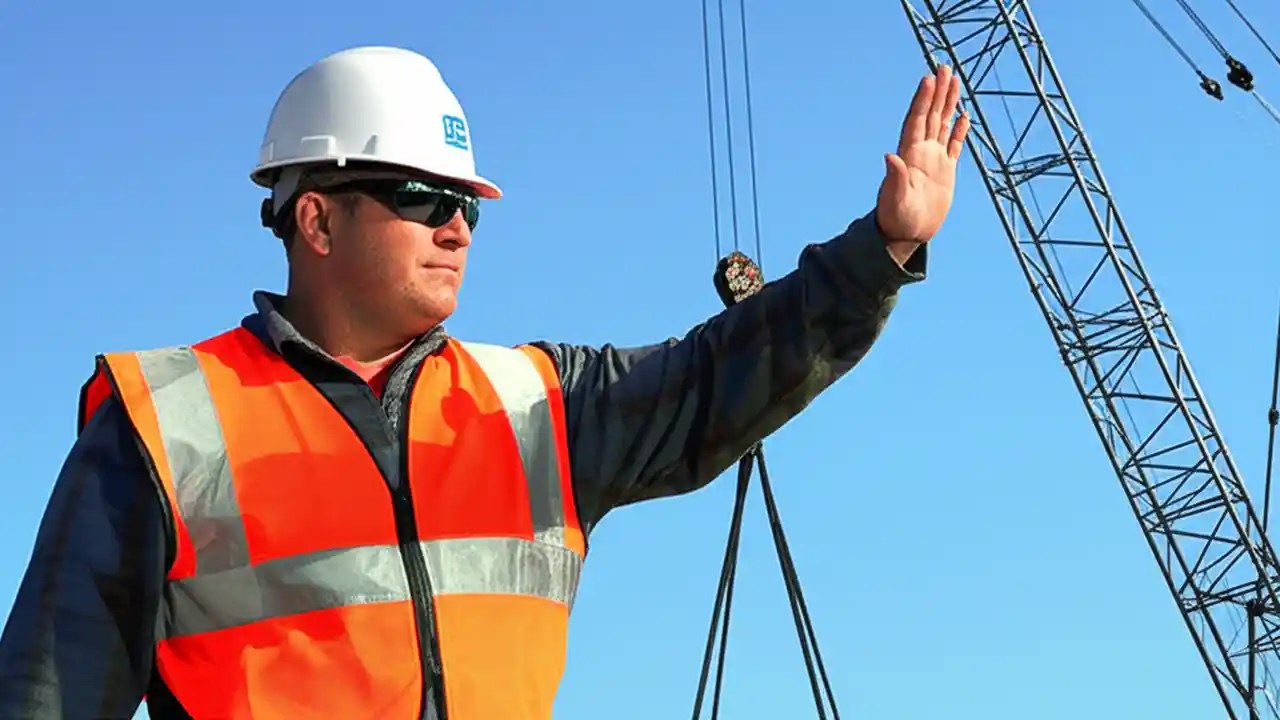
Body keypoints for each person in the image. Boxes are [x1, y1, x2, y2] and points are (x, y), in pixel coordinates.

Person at [0, 45, 969, 720]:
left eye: (463, 203)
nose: (455, 227)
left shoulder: (534, 406)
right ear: (315, 221)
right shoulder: (164, 426)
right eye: (420, 198)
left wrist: (881, 249)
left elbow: (723, 373)